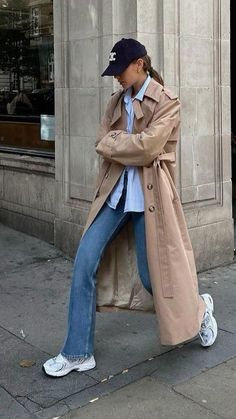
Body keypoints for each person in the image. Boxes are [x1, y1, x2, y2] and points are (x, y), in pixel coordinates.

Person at [43, 38, 218, 377]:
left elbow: (149, 147)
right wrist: (129, 146)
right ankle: (77, 352)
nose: (116, 78)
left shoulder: (167, 102)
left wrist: (119, 145)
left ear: (139, 63)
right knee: (83, 263)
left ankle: (199, 311)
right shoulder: (115, 101)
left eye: (119, 70)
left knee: (155, 278)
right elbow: (101, 141)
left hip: (150, 199)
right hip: (115, 196)